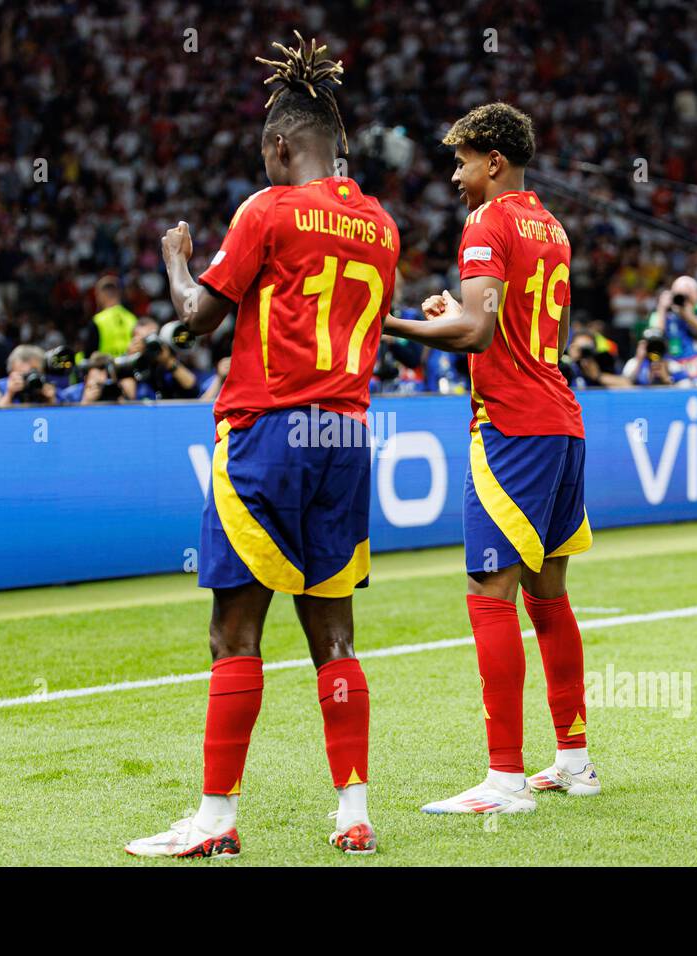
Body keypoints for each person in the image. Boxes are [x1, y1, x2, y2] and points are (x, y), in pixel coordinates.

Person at [126, 33, 399, 859]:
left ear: (281, 146)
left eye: (268, 153)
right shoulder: (382, 226)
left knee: (234, 634)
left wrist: (175, 258)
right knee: (336, 635)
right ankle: (352, 812)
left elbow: (195, 318)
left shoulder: (266, 208)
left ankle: (214, 821)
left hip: (269, 433)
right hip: (347, 435)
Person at [384, 102, 600, 815]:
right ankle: (574, 762)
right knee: (548, 597)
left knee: (489, 595)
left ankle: (505, 780)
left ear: (494, 161)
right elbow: (538, 332)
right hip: (561, 420)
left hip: (512, 429)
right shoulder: (553, 227)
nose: (456, 175)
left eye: (462, 161)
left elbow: (477, 333)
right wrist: (458, 318)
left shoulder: (488, 222)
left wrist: (395, 322)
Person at [80, 274, 138, 358]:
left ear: (102, 295)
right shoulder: (132, 318)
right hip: (129, 368)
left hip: (106, 368)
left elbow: (89, 356)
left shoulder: (98, 320)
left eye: (97, 295)